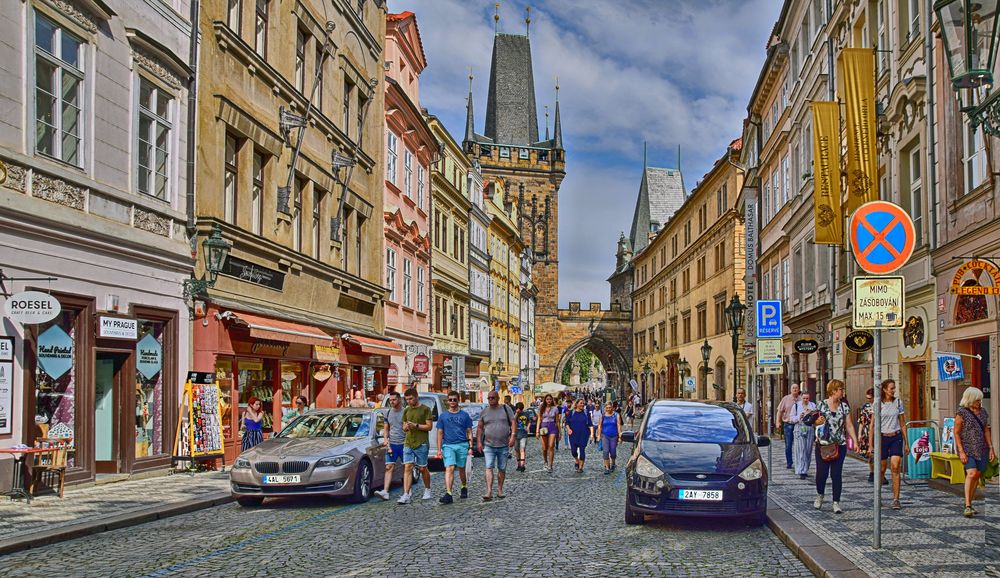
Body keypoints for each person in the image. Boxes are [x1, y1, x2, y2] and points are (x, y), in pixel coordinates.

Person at [813, 380, 858, 514]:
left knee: (836, 474)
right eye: (840, 389)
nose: (842, 392)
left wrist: (855, 441)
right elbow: (813, 423)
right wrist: (816, 422)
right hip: (823, 445)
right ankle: (820, 495)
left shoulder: (844, 407)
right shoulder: (821, 405)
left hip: (839, 444)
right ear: (833, 391)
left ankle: (836, 502)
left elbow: (849, 425)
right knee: (821, 474)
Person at [954, 386, 994, 517]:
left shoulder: (983, 412)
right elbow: (956, 433)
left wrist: (991, 448)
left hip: (981, 448)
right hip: (967, 448)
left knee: (977, 475)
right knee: (971, 473)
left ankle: (969, 503)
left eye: (980, 400)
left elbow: (986, 430)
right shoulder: (962, 412)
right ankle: (967, 505)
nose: (979, 402)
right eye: (977, 400)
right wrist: (961, 451)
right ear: (970, 399)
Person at [874, 379, 908, 510]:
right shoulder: (878, 403)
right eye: (891, 388)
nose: (894, 390)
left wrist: (907, 442)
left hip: (896, 436)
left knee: (895, 466)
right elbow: (873, 424)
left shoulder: (898, 402)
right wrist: (871, 444)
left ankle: (896, 499)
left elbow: (903, 423)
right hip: (882, 437)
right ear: (884, 389)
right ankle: (878, 496)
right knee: (882, 469)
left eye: (894, 388)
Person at [435, 391, 473, 504]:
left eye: (454, 399)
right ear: (447, 401)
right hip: (448, 445)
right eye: (450, 399)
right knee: (450, 468)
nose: (452, 401)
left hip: (462, 444)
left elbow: (469, 431)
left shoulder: (464, 415)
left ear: (458, 400)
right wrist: (438, 449)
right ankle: (449, 493)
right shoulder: (443, 416)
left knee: (461, 468)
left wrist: (470, 446)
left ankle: (463, 486)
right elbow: (440, 433)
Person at [397, 388, 433, 504]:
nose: (408, 401)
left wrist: (416, 425)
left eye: (410, 399)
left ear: (416, 397)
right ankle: (406, 494)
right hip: (408, 442)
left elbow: (429, 427)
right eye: (407, 399)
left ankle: (427, 489)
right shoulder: (406, 410)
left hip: (421, 443)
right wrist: (406, 427)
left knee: (422, 468)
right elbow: (403, 426)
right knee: (407, 467)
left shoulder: (425, 409)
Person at [478, 391, 515, 500]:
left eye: (493, 398)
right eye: (489, 398)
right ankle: (489, 491)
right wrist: (479, 442)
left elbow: (513, 422)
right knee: (488, 467)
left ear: (498, 398)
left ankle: (500, 489)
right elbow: (480, 427)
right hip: (489, 445)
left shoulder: (505, 408)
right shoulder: (484, 411)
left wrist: (513, 436)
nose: (490, 400)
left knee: (502, 468)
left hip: (503, 444)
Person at [375, 391, 405, 500]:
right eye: (390, 400)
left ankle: (407, 491)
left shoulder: (405, 412)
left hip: (404, 443)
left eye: (394, 400)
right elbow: (386, 428)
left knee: (407, 468)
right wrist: (385, 439)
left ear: (399, 400)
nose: (392, 402)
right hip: (392, 444)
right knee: (388, 467)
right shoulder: (388, 413)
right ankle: (385, 491)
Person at [775, 383, 802, 469]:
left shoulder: (801, 399)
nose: (795, 389)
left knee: (799, 445)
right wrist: (778, 422)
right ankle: (789, 462)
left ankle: (799, 462)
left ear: (798, 389)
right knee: (788, 445)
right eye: (793, 388)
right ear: (791, 389)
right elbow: (779, 411)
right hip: (788, 424)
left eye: (796, 388)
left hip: (799, 424)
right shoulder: (786, 399)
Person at [793, 391, 817, 479]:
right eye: (804, 398)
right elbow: (792, 418)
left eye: (807, 398)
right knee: (801, 449)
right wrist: (799, 416)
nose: (805, 400)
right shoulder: (796, 406)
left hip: (809, 427)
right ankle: (801, 470)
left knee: (808, 450)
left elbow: (816, 417)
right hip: (799, 427)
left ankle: (805, 468)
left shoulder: (813, 405)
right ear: (801, 398)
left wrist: (811, 413)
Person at [857, 388, 878, 483]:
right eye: (867, 398)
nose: (869, 400)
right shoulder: (866, 407)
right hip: (867, 433)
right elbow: (862, 421)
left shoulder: (879, 405)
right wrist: (859, 434)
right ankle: (872, 472)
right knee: (870, 454)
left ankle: (880, 473)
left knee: (880, 454)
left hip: (878, 433)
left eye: (870, 398)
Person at [566, 399, 592, 473]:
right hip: (573, 434)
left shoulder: (586, 413)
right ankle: (577, 460)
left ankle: (581, 467)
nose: (582, 405)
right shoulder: (571, 413)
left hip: (584, 434)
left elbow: (590, 424)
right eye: (581, 403)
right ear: (576, 404)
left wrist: (592, 435)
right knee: (573, 451)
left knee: (582, 450)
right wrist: (568, 429)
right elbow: (567, 423)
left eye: (583, 403)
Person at [597, 401, 623, 474]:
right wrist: (598, 435)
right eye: (607, 408)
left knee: (613, 452)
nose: (608, 409)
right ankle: (607, 467)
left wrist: (620, 436)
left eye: (610, 407)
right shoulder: (603, 415)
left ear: (612, 408)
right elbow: (599, 426)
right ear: (605, 408)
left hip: (614, 436)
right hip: (605, 435)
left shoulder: (616, 415)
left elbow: (618, 425)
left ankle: (613, 463)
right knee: (605, 451)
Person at [536, 394, 559, 472]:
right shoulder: (541, 408)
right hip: (544, 427)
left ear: (552, 400)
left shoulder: (555, 409)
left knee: (551, 446)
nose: (549, 401)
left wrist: (559, 432)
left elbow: (557, 421)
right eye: (547, 399)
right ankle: (545, 461)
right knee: (544, 448)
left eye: (550, 399)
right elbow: (539, 419)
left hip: (552, 427)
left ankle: (550, 465)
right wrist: (537, 431)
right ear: (545, 400)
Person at [514, 402, 530, 472]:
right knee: (517, 450)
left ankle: (522, 465)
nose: (519, 411)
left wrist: (528, 427)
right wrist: (516, 414)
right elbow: (513, 421)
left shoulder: (526, 414)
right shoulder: (515, 414)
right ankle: (518, 465)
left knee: (522, 449)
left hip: (524, 434)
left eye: (520, 410)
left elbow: (529, 421)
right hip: (516, 435)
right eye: (517, 410)